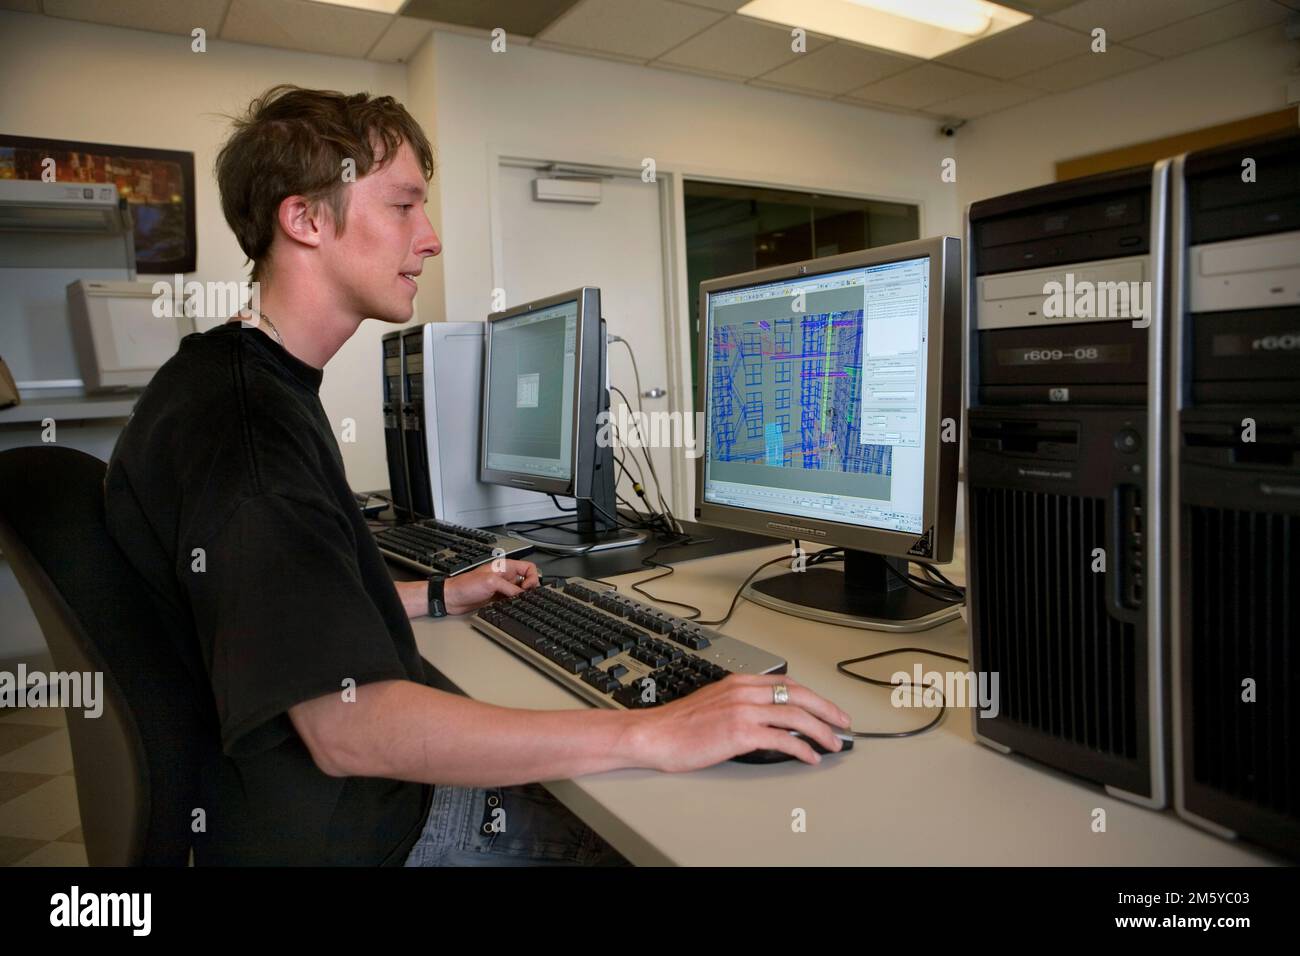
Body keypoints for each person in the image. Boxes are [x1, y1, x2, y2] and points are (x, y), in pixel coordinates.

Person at [104, 84, 851, 867]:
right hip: (357, 836)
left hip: (279, 814)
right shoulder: (251, 434)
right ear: (306, 219)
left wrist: (434, 594)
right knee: (673, 829)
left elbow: (267, 610)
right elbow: (346, 729)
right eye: (402, 207)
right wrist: (653, 729)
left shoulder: (233, 382)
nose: (429, 240)